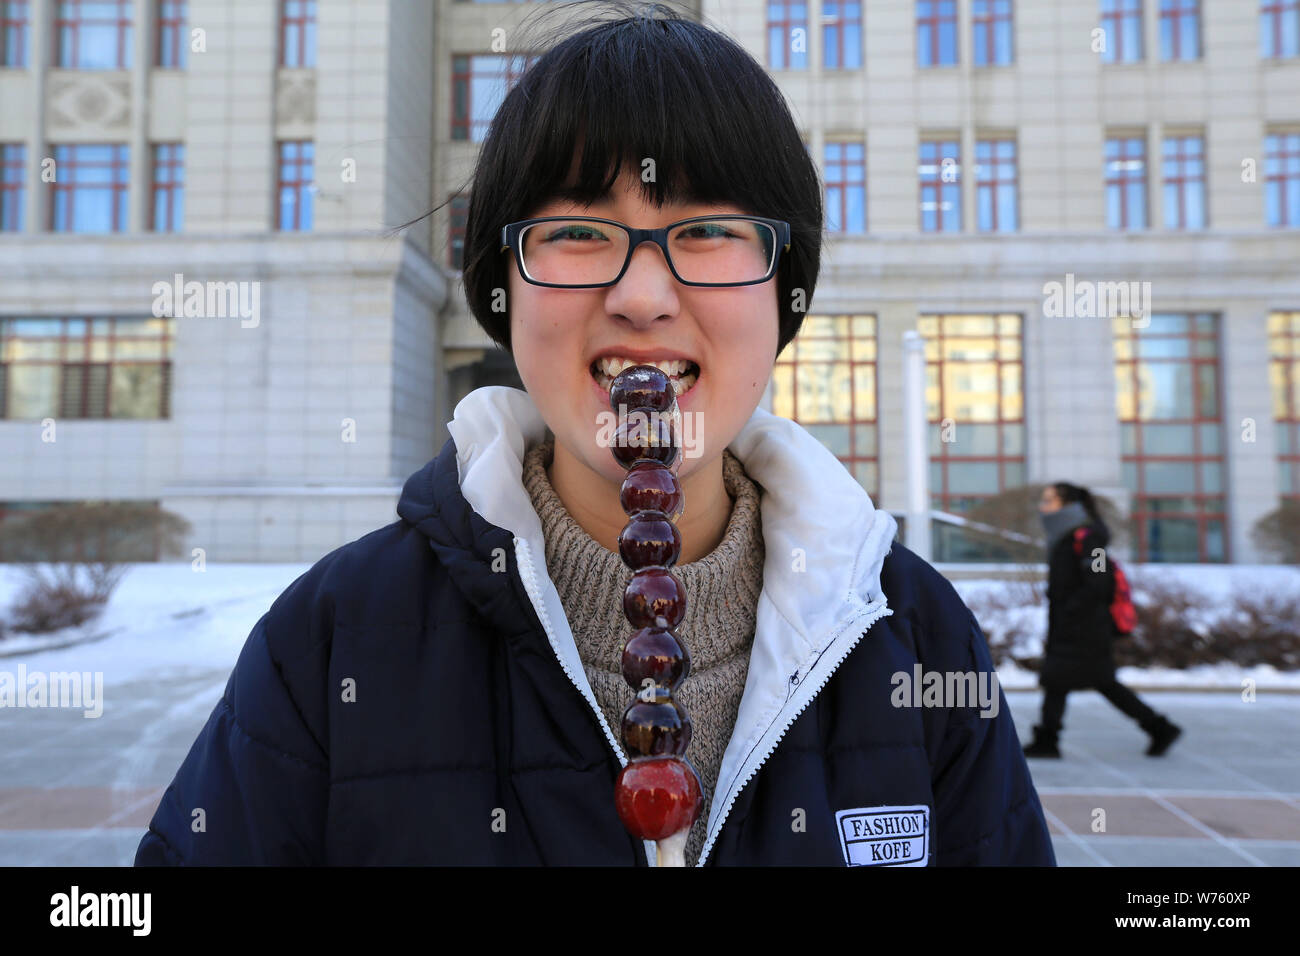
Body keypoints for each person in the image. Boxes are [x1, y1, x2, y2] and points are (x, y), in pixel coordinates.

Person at [134, 2, 1055, 866]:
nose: (643, 297)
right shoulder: (335, 639)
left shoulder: (915, 636)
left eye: (705, 230)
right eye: (577, 230)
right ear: (505, 287)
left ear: (785, 292)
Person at [1023, 482, 1183, 759]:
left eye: (1049, 501)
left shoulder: (1089, 537)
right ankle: (1048, 740)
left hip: (1085, 629)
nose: (1043, 507)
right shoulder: (1068, 536)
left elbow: (1099, 582)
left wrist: (1071, 611)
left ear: (1069, 505)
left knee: (1091, 682)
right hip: (1072, 626)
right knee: (1063, 682)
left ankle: (1159, 727)